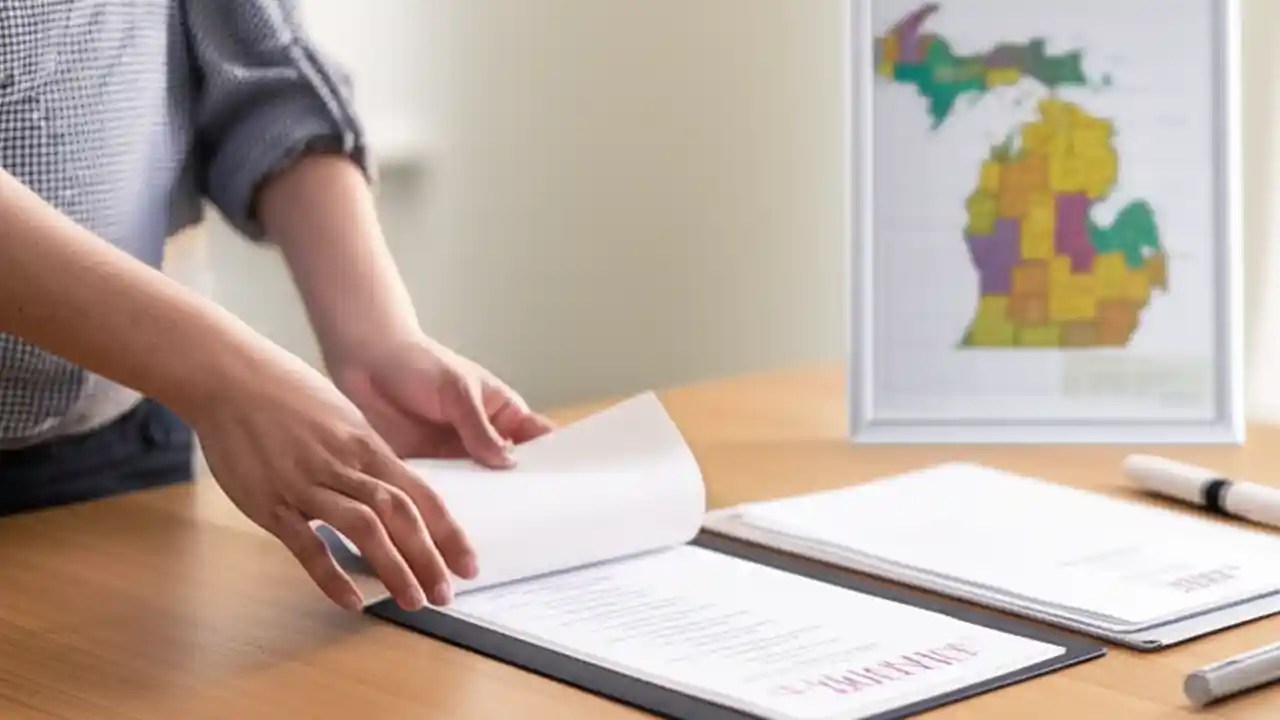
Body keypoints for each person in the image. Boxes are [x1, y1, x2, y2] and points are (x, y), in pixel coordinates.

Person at [0, 2, 553, 613]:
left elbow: (263, 72)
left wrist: (376, 338)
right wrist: (221, 374)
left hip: (120, 445)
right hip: (183, 386)